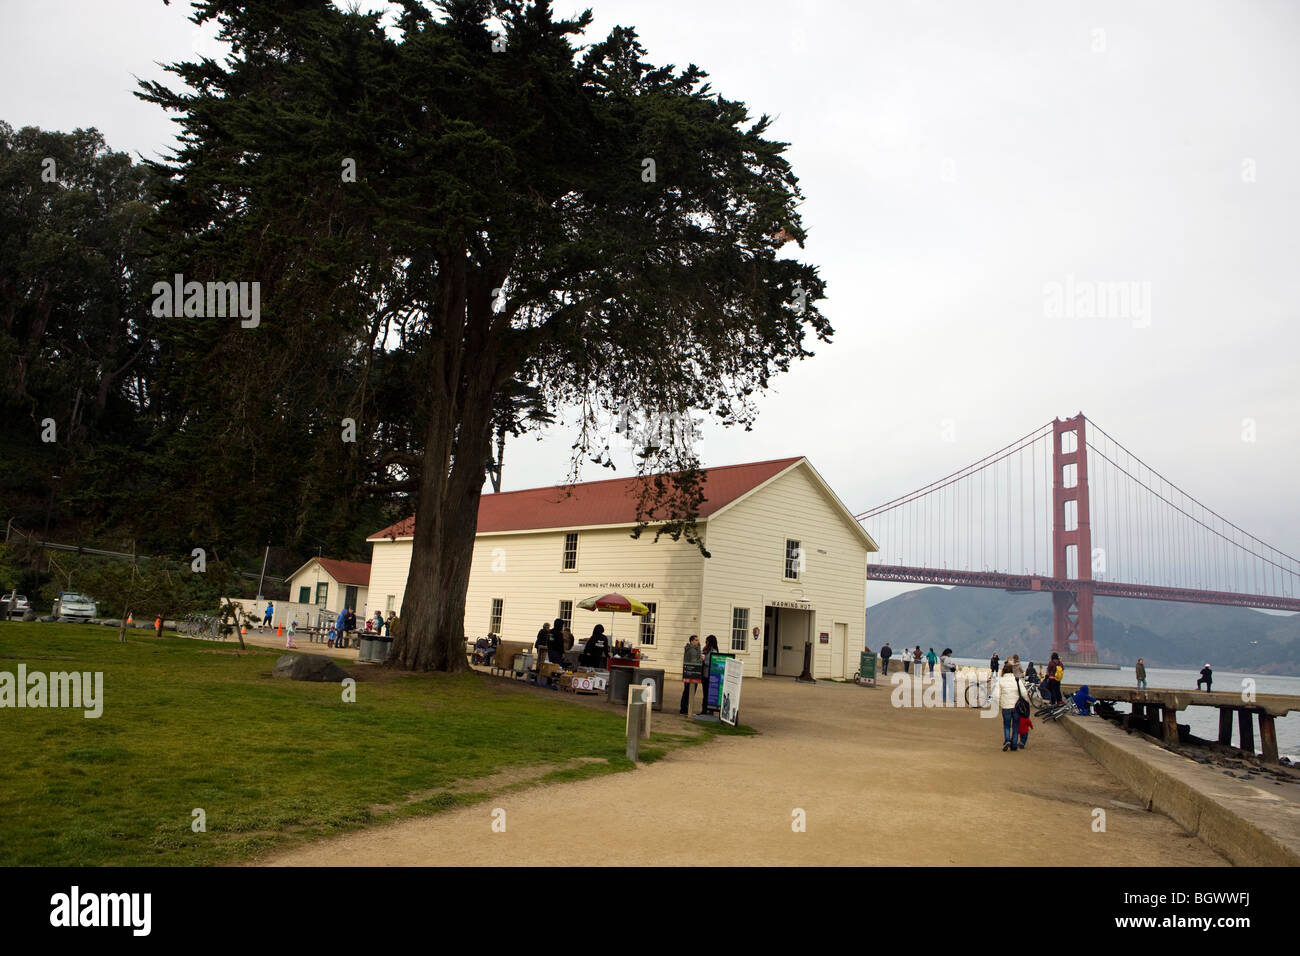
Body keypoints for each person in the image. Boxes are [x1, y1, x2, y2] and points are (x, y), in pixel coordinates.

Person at [997, 661, 1028, 751]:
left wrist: (1000, 702)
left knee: (1007, 725)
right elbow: (1024, 693)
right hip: (1016, 707)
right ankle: (1014, 745)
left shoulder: (1000, 681)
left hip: (1006, 706)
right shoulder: (1017, 680)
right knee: (1015, 725)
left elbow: (996, 695)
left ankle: (1007, 740)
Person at [698, 634, 720, 715]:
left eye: (707, 641)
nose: (705, 642)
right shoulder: (706, 649)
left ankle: (708, 710)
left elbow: (713, 663)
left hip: (710, 676)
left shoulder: (714, 651)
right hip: (704, 674)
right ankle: (705, 709)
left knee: (708, 694)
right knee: (705, 693)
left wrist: (704, 660)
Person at [680, 634, 702, 714]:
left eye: (698, 640)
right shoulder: (692, 650)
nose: (698, 642)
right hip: (692, 673)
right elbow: (694, 663)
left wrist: (699, 648)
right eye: (696, 640)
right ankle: (684, 709)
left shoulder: (692, 649)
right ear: (692, 641)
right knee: (689, 692)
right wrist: (701, 660)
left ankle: (684, 708)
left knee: (686, 691)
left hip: (688, 673)